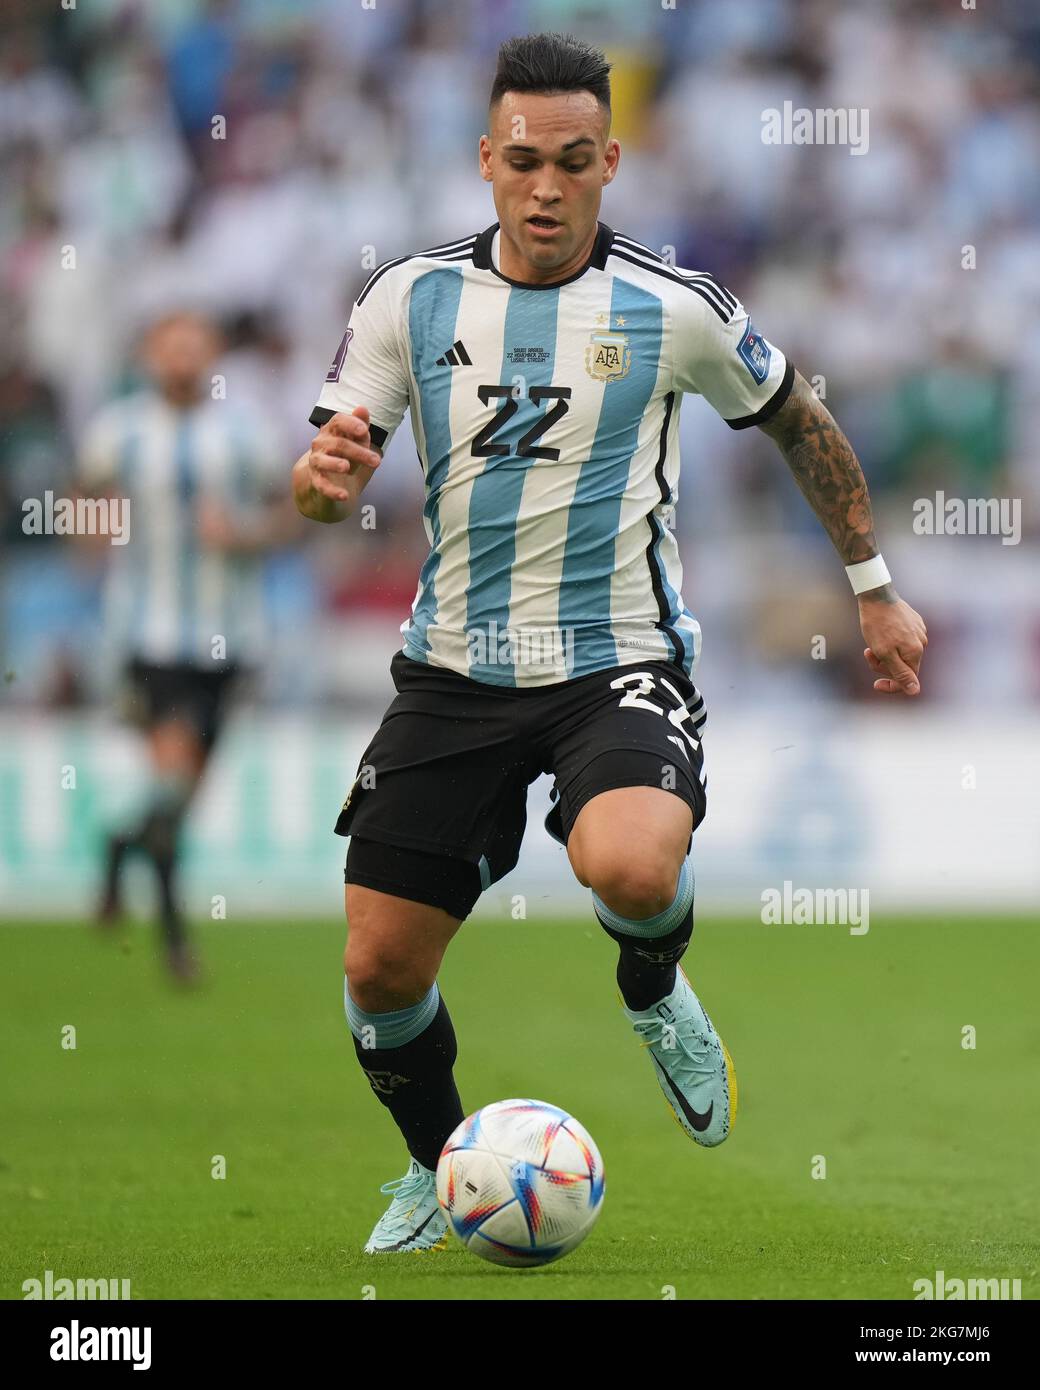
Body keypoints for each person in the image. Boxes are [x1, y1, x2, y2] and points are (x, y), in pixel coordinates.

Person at [292, 33, 928, 1252]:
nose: (545, 186)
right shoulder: (408, 296)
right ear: (485, 159)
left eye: (572, 162)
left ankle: (652, 989)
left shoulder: (670, 306)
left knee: (632, 867)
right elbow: (327, 471)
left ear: (609, 161)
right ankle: (444, 1163)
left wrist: (874, 585)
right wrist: (320, 484)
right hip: (454, 669)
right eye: (522, 160)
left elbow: (800, 420)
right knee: (377, 967)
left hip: (615, 656)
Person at [79, 309, 291, 981]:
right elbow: (79, 506)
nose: (182, 358)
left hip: (233, 640)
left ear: (212, 356)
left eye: (194, 347)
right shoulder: (120, 431)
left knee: (179, 800)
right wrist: (94, 534)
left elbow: (295, 514)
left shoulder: (244, 432)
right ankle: (176, 945)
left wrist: (246, 534)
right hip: (149, 637)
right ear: (150, 353)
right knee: (171, 781)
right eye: (170, 346)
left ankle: (119, 847)